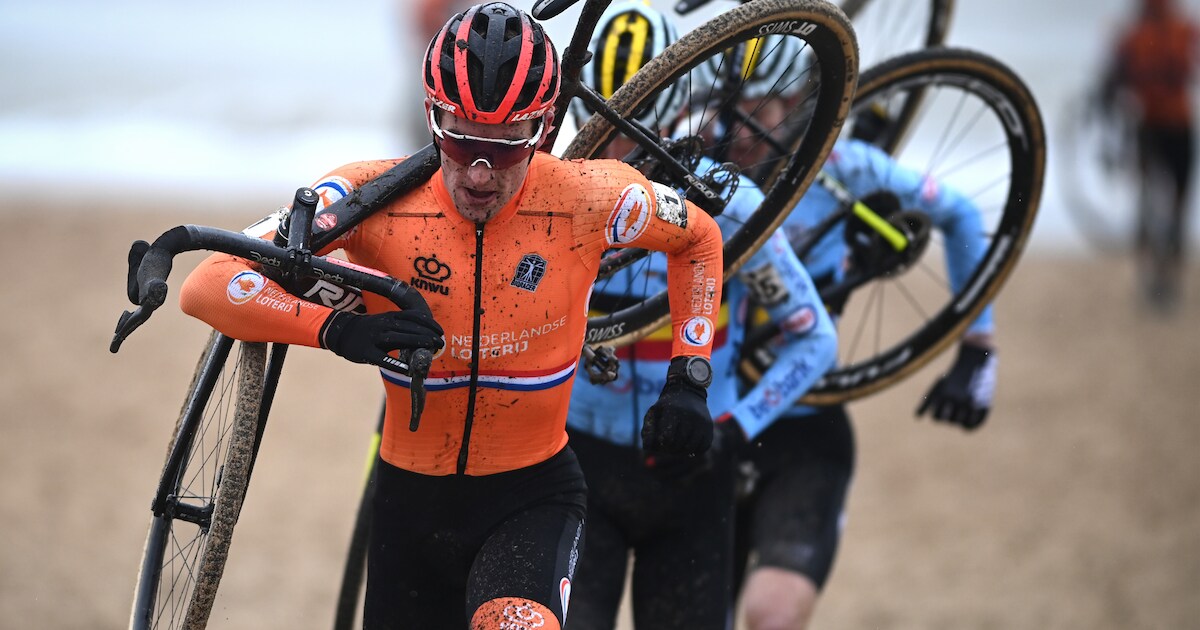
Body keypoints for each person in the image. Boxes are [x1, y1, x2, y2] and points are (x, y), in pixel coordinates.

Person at [178, 3, 725, 629]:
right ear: (431, 113)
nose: (481, 171)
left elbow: (699, 237)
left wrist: (690, 376)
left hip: (532, 496)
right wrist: (338, 330)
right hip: (408, 504)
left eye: (506, 144)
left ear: (544, 123)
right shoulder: (368, 198)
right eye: (461, 139)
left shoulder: (590, 198)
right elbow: (210, 282)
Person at [562, 3, 838, 629]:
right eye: (599, 127)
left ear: (671, 105)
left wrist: (739, 427)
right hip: (579, 473)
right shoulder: (547, 193)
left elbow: (813, 339)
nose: (613, 149)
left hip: (695, 477)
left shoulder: (730, 202)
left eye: (631, 126)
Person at [1100, 0, 1199, 309]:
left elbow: (1109, 85)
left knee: (1148, 202)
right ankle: (1165, 279)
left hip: (1151, 126)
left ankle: (1152, 278)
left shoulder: (1132, 34)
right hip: (1173, 125)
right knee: (1174, 207)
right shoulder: (1183, 29)